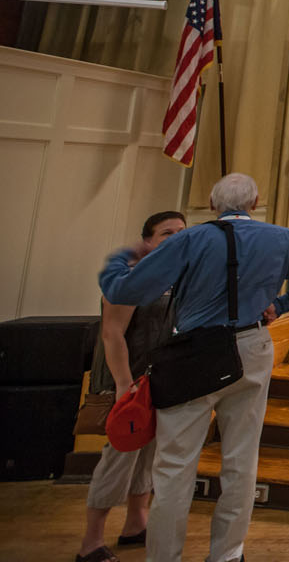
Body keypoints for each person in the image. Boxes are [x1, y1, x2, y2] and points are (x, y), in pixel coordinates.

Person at [97, 173, 289, 562]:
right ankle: (227, 554)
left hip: (193, 353)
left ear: (212, 205)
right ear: (255, 203)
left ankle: (164, 556)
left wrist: (118, 260)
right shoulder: (282, 238)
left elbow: (127, 290)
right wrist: (282, 305)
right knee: (241, 460)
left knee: (174, 464)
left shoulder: (190, 239)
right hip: (252, 347)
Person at [76, 211, 184, 562]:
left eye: (181, 232)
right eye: (167, 233)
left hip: (157, 382)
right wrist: (124, 384)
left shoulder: (174, 276)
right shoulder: (128, 276)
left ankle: (136, 524)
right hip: (127, 382)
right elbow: (112, 334)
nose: (176, 237)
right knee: (118, 459)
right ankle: (91, 542)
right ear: (148, 241)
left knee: (147, 457)